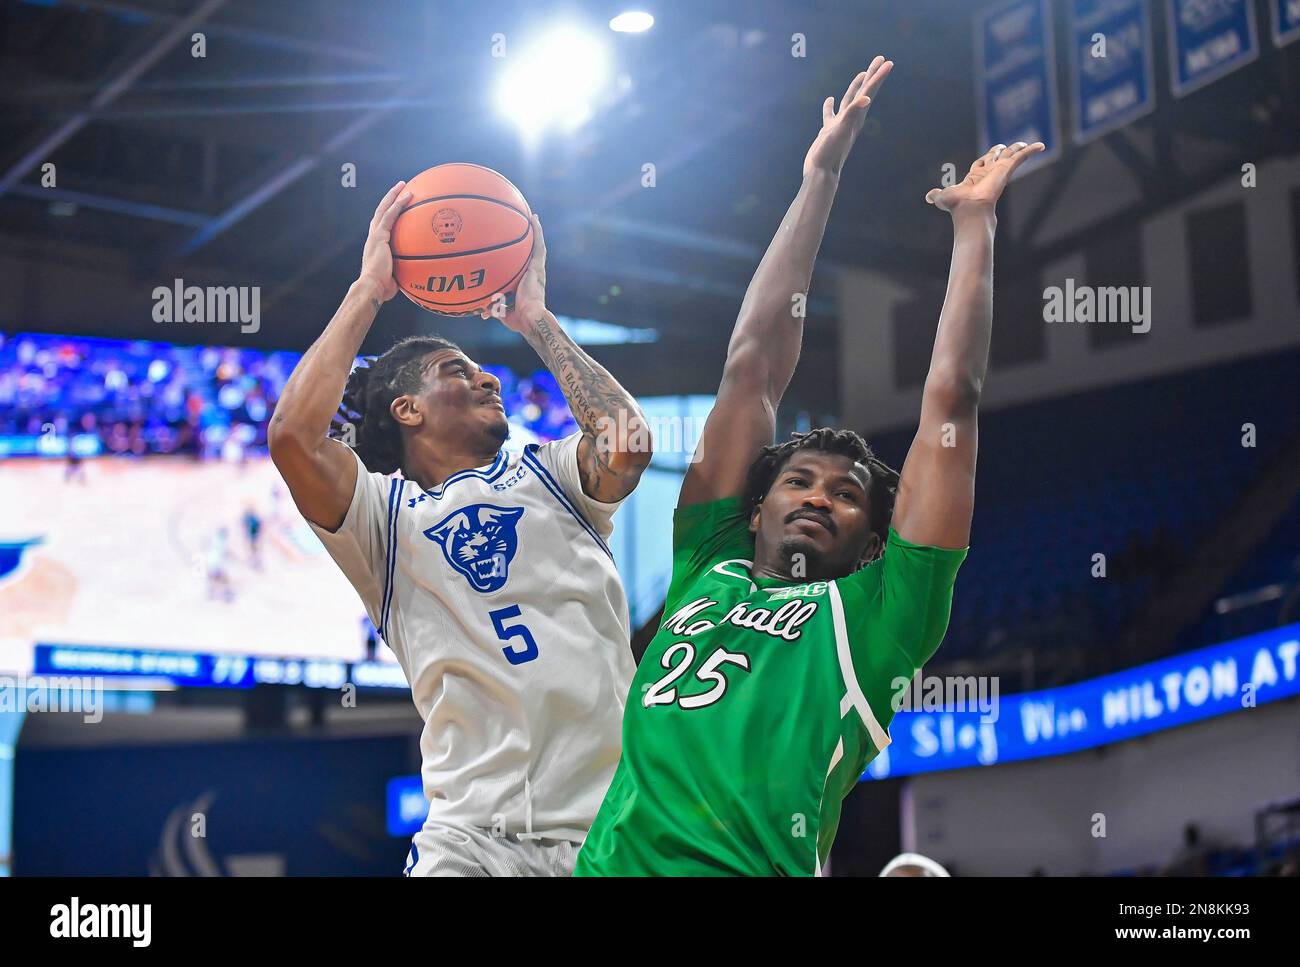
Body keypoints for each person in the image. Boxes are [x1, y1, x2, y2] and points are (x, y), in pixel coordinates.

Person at [576, 57, 1045, 875]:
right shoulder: (707, 560)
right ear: (755, 508)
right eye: (798, 480)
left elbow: (952, 401)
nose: (818, 497)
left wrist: (975, 227)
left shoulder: (880, 616)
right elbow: (752, 366)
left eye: (845, 494)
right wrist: (819, 177)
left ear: (875, 542)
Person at [268, 184, 652, 876]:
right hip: (473, 840)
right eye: (458, 371)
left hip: (611, 835)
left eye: (483, 371)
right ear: (407, 409)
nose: (489, 380)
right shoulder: (383, 519)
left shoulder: (552, 474)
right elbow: (293, 437)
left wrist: (536, 320)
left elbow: (627, 442)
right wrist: (368, 290)